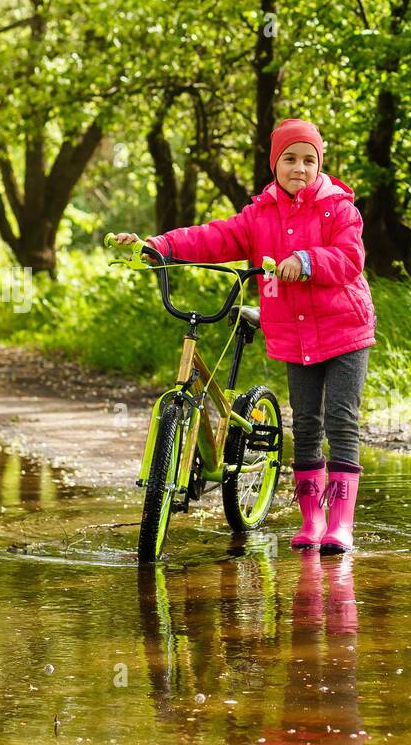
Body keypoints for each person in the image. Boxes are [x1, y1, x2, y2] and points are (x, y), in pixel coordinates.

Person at [111, 118, 375, 554]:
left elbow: (349, 257)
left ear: (319, 164)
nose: (299, 168)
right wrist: (161, 245)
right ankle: (313, 522)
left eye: (309, 160)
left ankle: (340, 525)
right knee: (306, 424)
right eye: (289, 158)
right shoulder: (260, 216)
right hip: (297, 335)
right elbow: (213, 237)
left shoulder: (338, 209)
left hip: (345, 328)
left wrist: (307, 260)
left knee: (341, 421)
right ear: (274, 164)